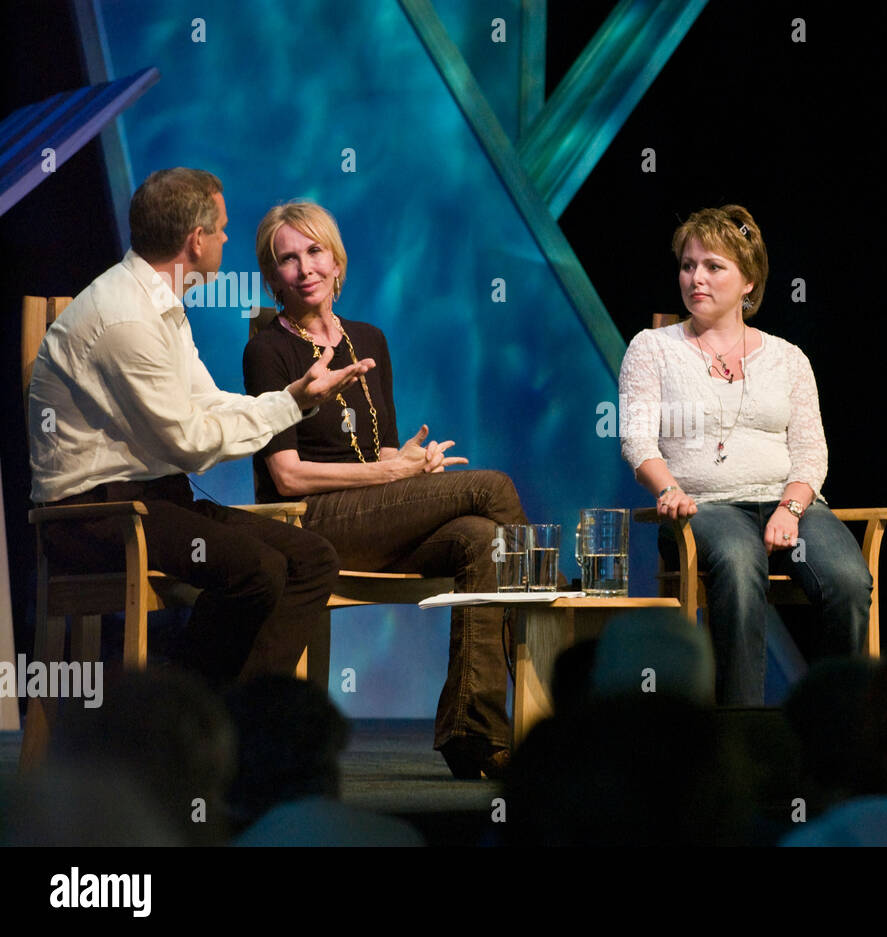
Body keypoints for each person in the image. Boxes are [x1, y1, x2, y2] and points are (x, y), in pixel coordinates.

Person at [27, 168, 365, 684]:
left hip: (155, 501)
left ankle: (243, 727)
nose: (228, 238)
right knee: (257, 569)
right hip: (93, 514)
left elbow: (206, 403)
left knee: (311, 559)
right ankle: (178, 725)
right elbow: (188, 441)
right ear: (197, 240)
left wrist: (294, 399)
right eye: (223, 228)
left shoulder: (161, 307)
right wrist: (291, 405)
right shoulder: (125, 319)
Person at [242, 200, 527, 779]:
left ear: (336, 257)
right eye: (287, 260)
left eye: (314, 251)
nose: (305, 268)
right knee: (492, 488)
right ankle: (542, 623)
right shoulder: (267, 350)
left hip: (373, 515)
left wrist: (410, 461)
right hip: (308, 522)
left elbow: (380, 454)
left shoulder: (369, 337)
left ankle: (474, 733)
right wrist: (387, 474)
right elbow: (286, 475)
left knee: (479, 538)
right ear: (273, 278)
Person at [618, 204, 872, 705]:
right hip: (705, 509)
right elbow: (637, 438)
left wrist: (792, 507)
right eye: (688, 265)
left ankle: (837, 723)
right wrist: (668, 489)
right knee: (737, 562)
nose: (696, 278)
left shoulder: (788, 357)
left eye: (714, 267)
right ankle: (742, 730)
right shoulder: (653, 348)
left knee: (847, 578)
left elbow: (810, 451)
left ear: (749, 280)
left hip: (787, 505)